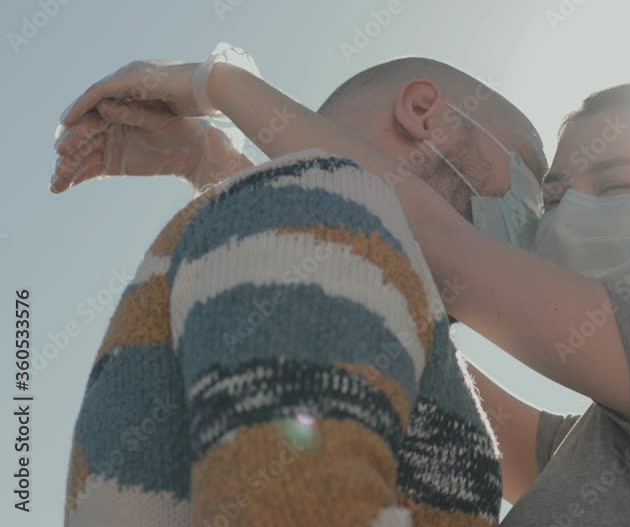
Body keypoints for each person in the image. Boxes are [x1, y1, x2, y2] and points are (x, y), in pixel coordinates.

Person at [57, 57, 630, 527]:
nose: (563, 218)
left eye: (614, 183)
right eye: (554, 195)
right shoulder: (623, 442)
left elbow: (421, 239)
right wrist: (216, 167)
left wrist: (213, 86)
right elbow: (404, 335)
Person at [56, 57, 546, 527]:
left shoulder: (307, 224)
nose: (539, 224)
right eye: (530, 178)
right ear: (422, 114)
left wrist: (221, 162)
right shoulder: (331, 211)